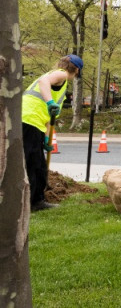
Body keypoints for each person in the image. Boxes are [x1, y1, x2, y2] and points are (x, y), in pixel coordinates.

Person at [22, 54, 83, 211]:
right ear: (76, 70)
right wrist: (50, 102)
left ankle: (34, 199)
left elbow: (51, 116)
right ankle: (34, 202)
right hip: (30, 119)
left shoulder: (58, 84)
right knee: (34, 163)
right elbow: (44, 83)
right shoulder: (61, 74)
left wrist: (47, 139)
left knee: (36, 162)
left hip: (32, 122)